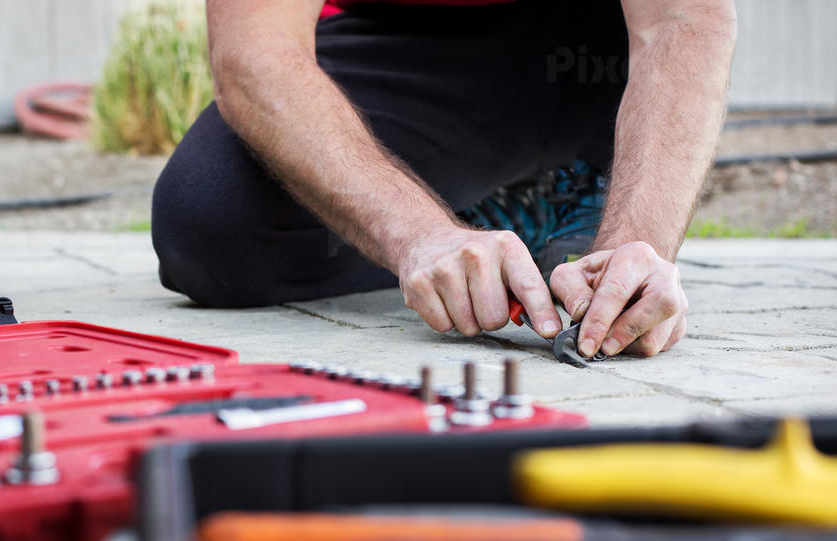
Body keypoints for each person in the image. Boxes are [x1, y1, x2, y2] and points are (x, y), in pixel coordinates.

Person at [152, 0, 738, 359]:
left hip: (591, 38)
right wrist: (417, 234)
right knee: (211, 221)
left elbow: (683, 19)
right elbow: (256, 48)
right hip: (401, 37)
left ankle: (582, 191)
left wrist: (639, 244)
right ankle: (501, 212)